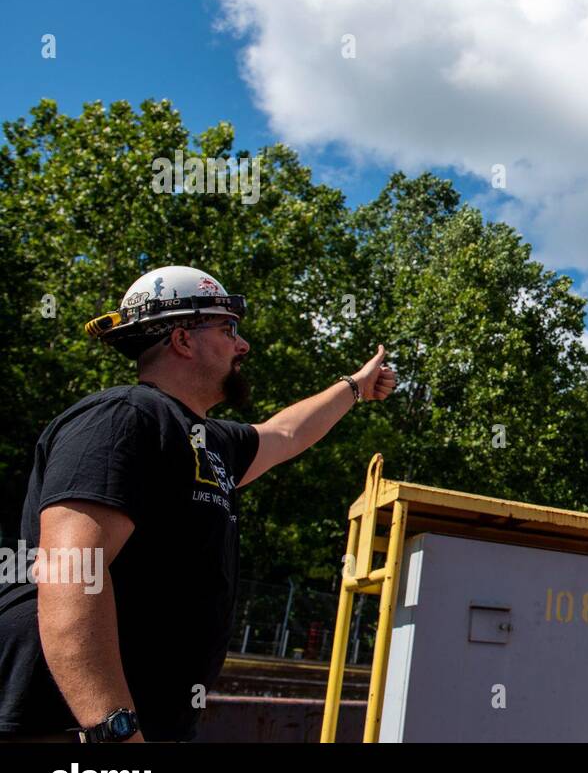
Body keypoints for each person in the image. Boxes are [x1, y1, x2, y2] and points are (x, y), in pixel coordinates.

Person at [0, 265, 396, 742]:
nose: (243, 345)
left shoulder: (209, 443)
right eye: (228, 329)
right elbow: (70, 567)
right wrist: (112, 728)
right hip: (66, 728)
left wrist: (355, 387)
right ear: (184, 340)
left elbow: (286, 433)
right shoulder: (122, 417)